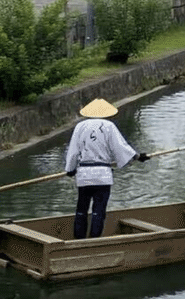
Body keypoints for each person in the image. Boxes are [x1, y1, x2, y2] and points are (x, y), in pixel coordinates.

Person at [63, 98, 148, 239]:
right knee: (99, 211)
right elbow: (120, 147)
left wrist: (70, 169)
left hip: (84, 175)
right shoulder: (109, 126)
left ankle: (78, 240)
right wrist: (138, 156)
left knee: (81, 210)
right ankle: (95, 240)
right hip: (103, 175)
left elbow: (73, 151)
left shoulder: (80, 126)